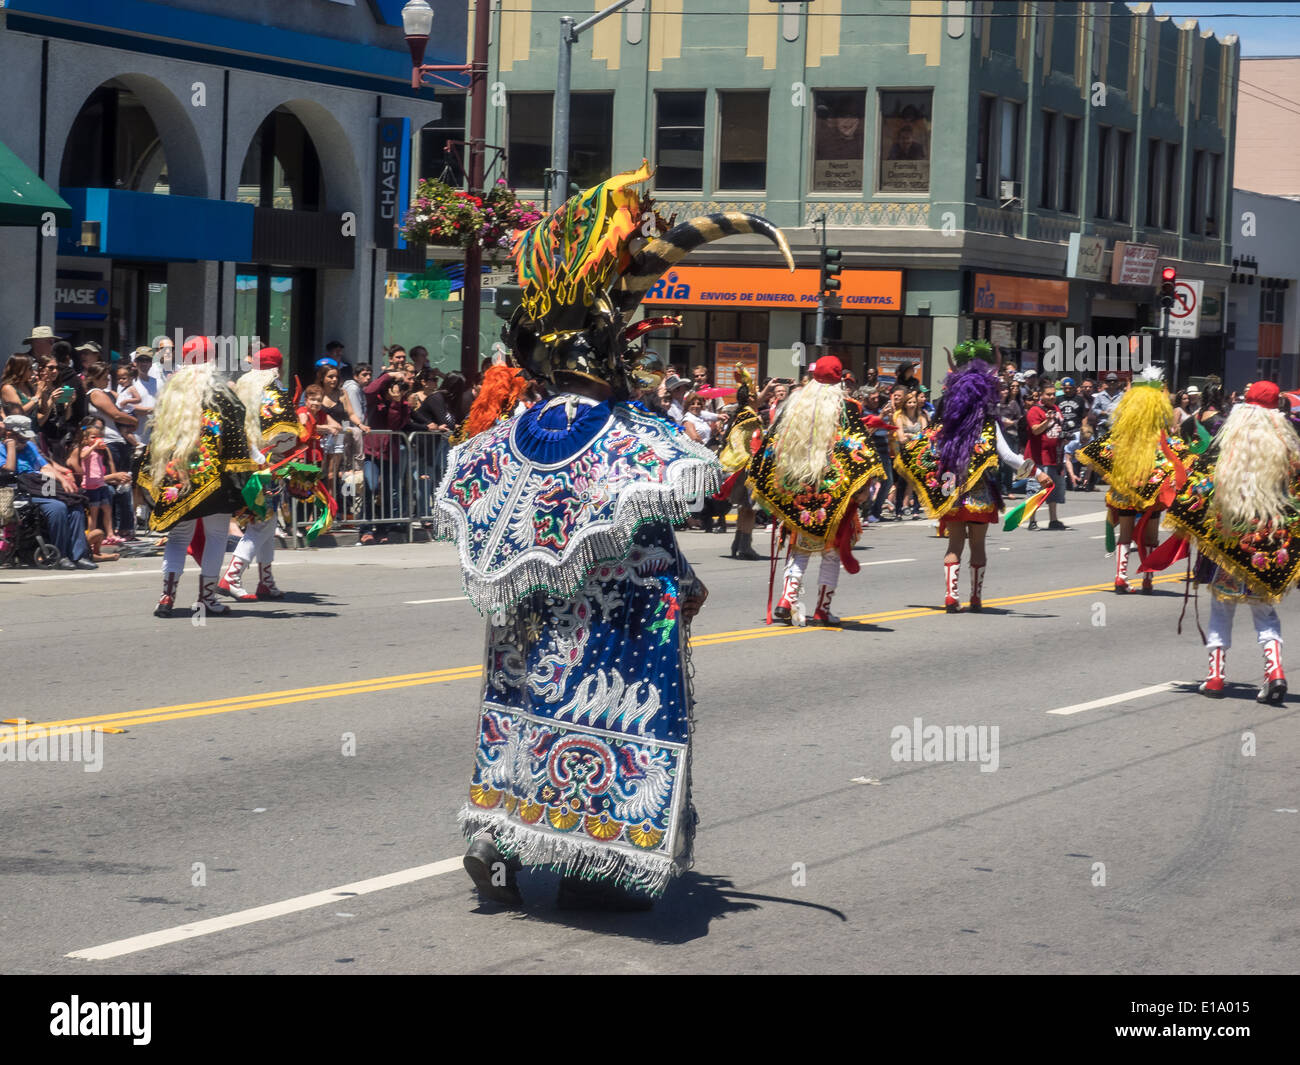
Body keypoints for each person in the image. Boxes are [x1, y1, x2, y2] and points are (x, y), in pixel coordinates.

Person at [441, 162, 790, 909]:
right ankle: (593, 867)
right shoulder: (632, 433)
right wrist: (745, 444)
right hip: (614, 624)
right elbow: (695, 490)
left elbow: (484, 507)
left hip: (526, 624)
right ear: (614, 353)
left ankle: (500, 843)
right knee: (600, 717)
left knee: (521, 716)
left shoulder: (510, 433)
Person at [1160, 380, 1299, 703]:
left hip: (1226, 540)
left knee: (1221, 609)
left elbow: (1202, 485)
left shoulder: (1228, 441)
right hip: (1266, 539)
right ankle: (1275, 672)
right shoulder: (1287, 448)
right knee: (1265, 613)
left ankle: (1215, 678)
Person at [894, 341, 1053, 613]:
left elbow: (918, 451)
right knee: (977, 545)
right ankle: (976, 597)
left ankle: (950, 597)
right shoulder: (988, 425)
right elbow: (1010, 457)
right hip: (979, 496)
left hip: (951, 493)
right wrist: (1038, 474)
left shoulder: (943, 426)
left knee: (955, 543)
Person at [749, 356, 885, 625]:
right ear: (839, 381)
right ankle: (823, 608)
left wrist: (778, 490)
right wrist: (862, 488)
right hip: (835, 496)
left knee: (799, 551)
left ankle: (786, 600)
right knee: (831, 554)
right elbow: (860, 450)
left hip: (799, 491)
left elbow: (771, 447)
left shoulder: (794, 406)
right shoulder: (847, 408)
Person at [137, 336, 259, 617]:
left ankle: (166, 597)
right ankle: (207, 599)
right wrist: (245, 471)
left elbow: (157, 437)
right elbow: (236, 434)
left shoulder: (171, 392)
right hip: (213, 477)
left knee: (178, 538)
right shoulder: (221, 393)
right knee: (216, 535)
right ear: (211, 360)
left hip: (176, 477)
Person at [1077, 367, 1188, 594]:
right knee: (1151, 532)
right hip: (1151, 482)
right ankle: (1148, 578)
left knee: (1125, 533)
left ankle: (1120, 577)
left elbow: (1110, 444)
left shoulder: (1125, 424)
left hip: (1126, 481)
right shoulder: (1158, 426)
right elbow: (1170, 449)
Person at [220, 347, 303, 601]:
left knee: (265, 521)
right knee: (263, 523)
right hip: (268, 466)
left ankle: (266, 580)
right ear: (278, 367)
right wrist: (297, 441)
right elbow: (284, 435)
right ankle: (232, 576)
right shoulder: (274, 391)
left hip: (245, 464)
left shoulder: (244, 388)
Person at [1, 414, 96, 569]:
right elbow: (9, 470)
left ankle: (78, 555)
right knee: (58, 507)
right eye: (22, 438)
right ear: (10, 433)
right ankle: (61, 555)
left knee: (74, 505)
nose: (25, 441)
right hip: (20, 489)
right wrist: (11, 445)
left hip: (40, 483)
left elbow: (45, 467)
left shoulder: (30, 446)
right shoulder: (2, 449)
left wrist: (63, 480)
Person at [1023, 385, 1068, 530]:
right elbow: (1035, 431)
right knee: (1036, 490)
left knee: (1053, 490)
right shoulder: (1034, 410)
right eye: (1048, 394)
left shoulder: (1056, 408)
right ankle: (1032, 521)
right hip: (1038, 458)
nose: (1052, 397)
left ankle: (1053, 520)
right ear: (1041, 395)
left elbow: (1060, 427)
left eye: (1053, 394)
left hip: (1055, 456)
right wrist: (1047, 421)